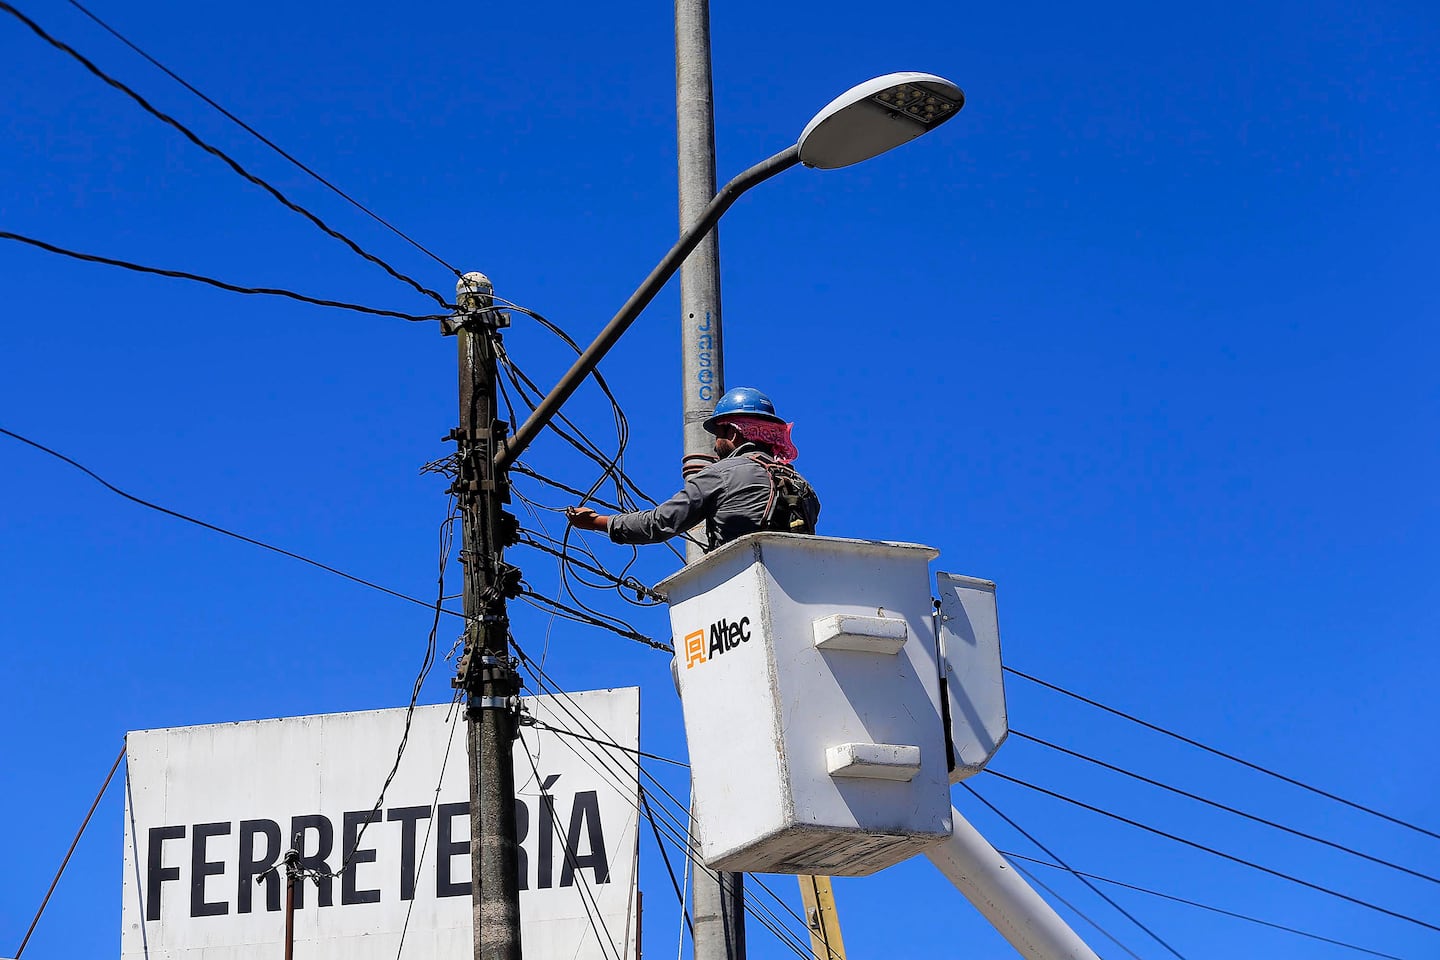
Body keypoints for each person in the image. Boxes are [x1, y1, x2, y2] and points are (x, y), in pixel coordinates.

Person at [566, 386, 820, 550]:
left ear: (731, 432)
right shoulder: (802, 485)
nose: (714, 444)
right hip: (795, 591)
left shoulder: (721, 474)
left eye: (717, 434)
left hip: (737, 589)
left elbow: (659, 523)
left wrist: (597, 522)